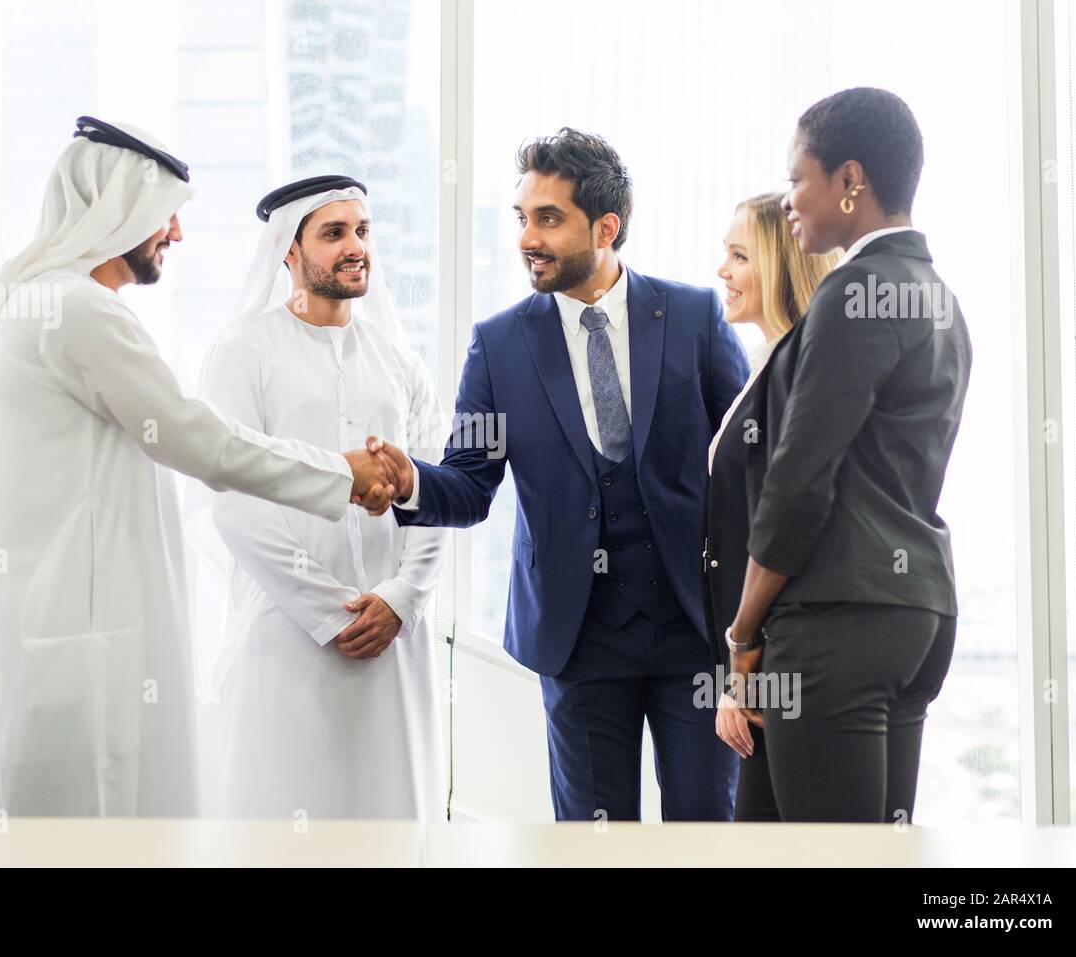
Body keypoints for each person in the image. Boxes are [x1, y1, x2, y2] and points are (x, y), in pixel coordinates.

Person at [0, 120, 399, 818]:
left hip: (56, 641)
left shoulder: (39, 299)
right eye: (165, 216)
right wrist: (342, 473)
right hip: (81, 651)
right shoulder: (79, 310)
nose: (177, 235)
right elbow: (201, 439)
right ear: (114, 209)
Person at [375, 129, 751, 822]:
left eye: (549, 218)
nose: (527, 237)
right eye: (521, 217)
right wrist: (410, 484)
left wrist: (755, 620)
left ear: (606, 227)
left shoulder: (694, 316)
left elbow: (751, 463)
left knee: (706, 831)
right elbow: (469, 482)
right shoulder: (500, 343)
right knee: (592, 842)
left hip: (693, 628)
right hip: (578, 639)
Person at [725, 88, 972, 822]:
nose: (789, 198)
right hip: (915, 616)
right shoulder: (939, 298)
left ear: (849, 180)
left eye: (797, 177)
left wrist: (742, 633)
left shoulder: (854, 290)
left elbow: (799, 481)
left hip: (837, 621)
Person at [199, 175, 448, 821]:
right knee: (282, 818)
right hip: (287, 632)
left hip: (394, 634)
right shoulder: (241, 353)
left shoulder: (401, 362)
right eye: (334, 233)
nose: (355, 246)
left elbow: (435, 492)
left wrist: (401, 596)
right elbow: (232, 496)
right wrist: (327, 608)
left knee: (389, 818)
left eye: (362, 231)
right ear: (289, 249)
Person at [704, 192, 837, 821]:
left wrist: (744, 668)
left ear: (782, 263)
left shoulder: (797, 374)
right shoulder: (764, 365)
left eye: (738, 256)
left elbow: (782, 527)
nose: (722, 272)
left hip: (779, 658)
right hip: (762, 659)